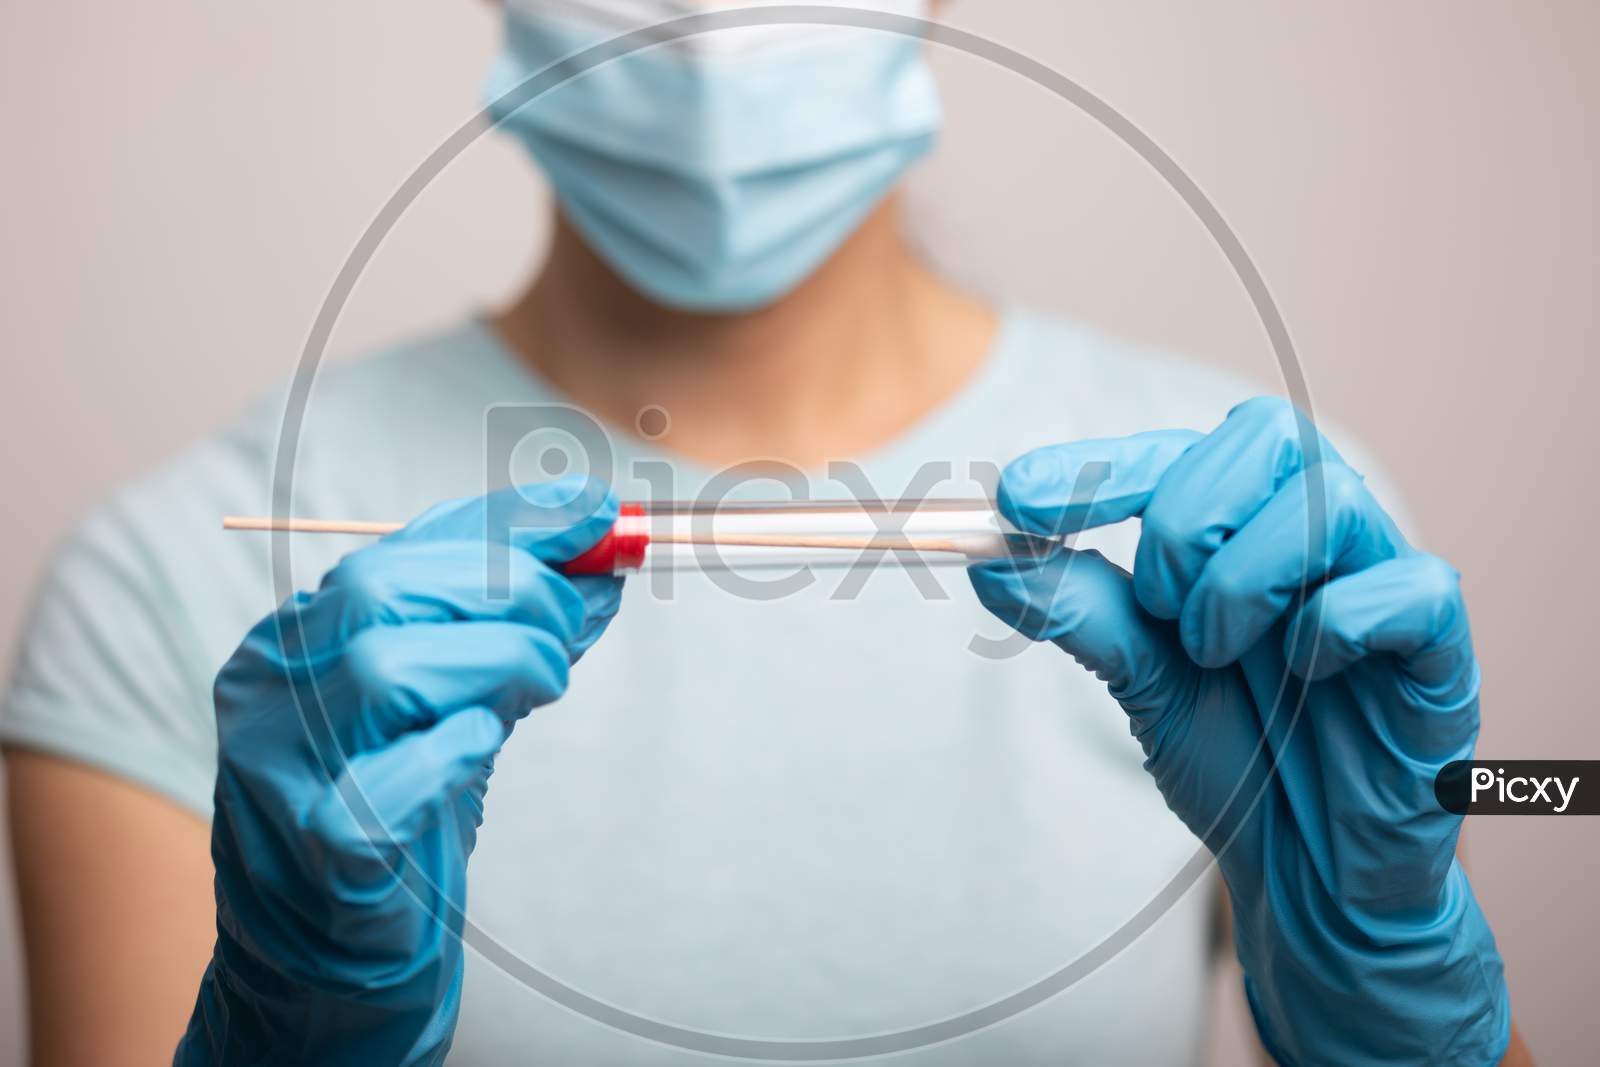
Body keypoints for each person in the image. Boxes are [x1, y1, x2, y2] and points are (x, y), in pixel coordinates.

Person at [2, 2, 1529, 1064]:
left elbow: (1557, 794)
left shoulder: (1263, 542)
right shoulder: (179, 586)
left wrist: (1402, 1022)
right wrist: (280, 1039)